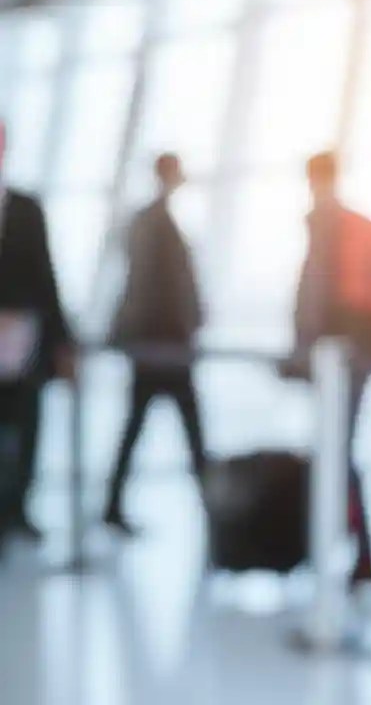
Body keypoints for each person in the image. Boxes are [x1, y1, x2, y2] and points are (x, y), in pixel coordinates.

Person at [286, 151, 371, 585]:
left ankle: (357, 552)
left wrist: (302, 348)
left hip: (341, 354)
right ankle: (349, 548)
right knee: (338, 450)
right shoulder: (346, 224)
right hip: (357, 350)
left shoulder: (327, 225)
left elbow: (316, 296)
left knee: (337, 451)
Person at [104, 153, 206, 536]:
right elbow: (147, 286)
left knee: (142, 426)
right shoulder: (153, 223)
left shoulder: (155, 221)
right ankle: (212, 509)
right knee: (188, 430)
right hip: (162, 345)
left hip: (163, 343)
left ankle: (113, 505)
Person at [0, 120, 74, 549]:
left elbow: (46, 276)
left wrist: (63, 340)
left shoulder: (27, 209)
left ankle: (17, 510)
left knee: (27, 427)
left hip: (23, 340)